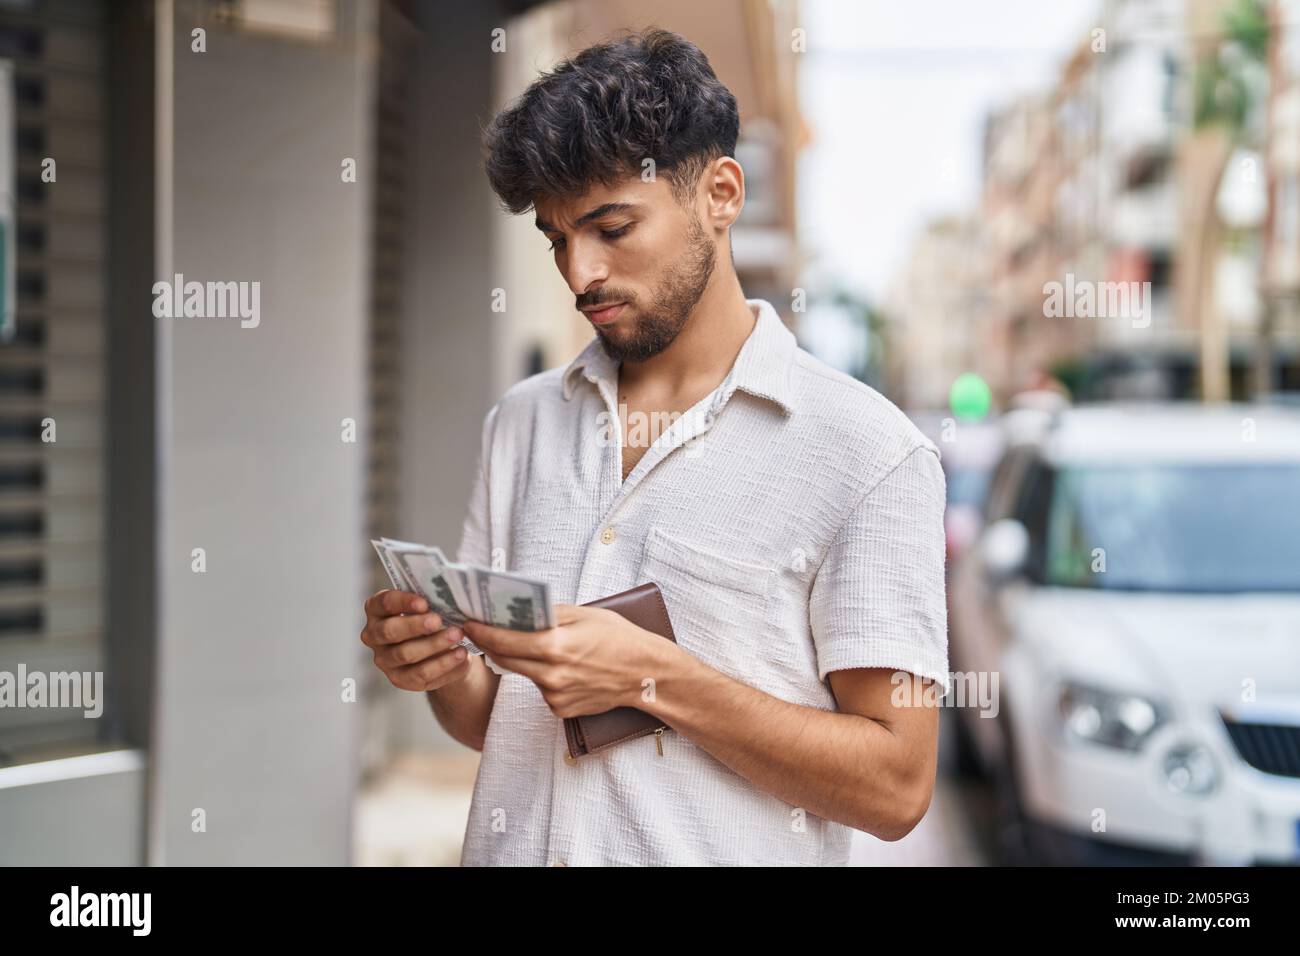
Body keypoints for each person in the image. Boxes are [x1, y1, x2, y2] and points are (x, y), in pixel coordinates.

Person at [359, 27, 949, 866]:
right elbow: (495, 719)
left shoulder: (869, 455)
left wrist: (656, 679)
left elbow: (896, 787)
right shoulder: (522, 422)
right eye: (558, 238)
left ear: (721, 192)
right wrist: (442, 667)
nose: (580, 274)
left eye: (611, 227)